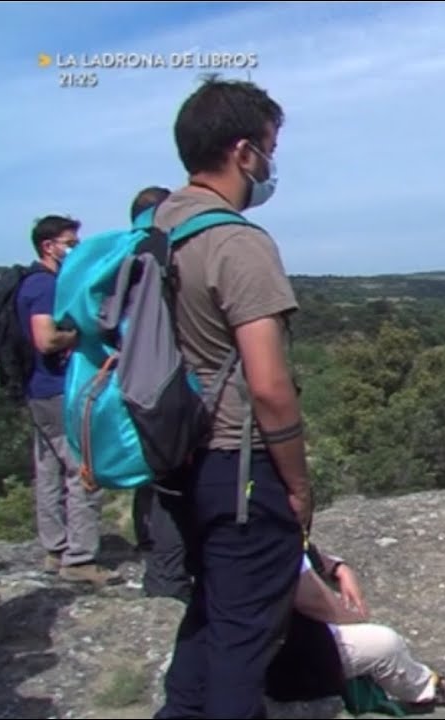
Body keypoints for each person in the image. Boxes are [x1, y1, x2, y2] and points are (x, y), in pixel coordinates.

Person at [153, 76, 313, 719]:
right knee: (245, 641)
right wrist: (297, 484)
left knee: (213, 614)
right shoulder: (237, 243)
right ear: (245, 152)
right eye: (271, 148)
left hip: (179, 456)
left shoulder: (161, 225)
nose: (272, 165)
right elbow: (269, 386)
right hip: (239, 463)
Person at [17, 214, 120, 586]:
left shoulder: (31, 283)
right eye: (69, 242)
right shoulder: (44, 287)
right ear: (49, 246)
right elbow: (45, 340)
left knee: (48, 470)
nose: (75, 248)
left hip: (39, 390)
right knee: (82, 468)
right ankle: (79, 559)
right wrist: (78, 336)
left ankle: (56, 548)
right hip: (58, 390)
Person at [264, 542, 445, 711]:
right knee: (384, 644)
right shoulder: (268, 526)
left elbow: (301, 548)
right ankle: (425, 689)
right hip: (280, 661)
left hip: (263, 642)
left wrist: (337, 567)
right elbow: (313, 601)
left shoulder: (256, 516)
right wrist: (352, 615)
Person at [125, 185, 193, 604]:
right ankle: (168, 582)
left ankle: (150, 553)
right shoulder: (161, 249)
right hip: (165, 382)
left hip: (124, 383)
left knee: (150, 476)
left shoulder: (120, 252)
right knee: (173, 479)